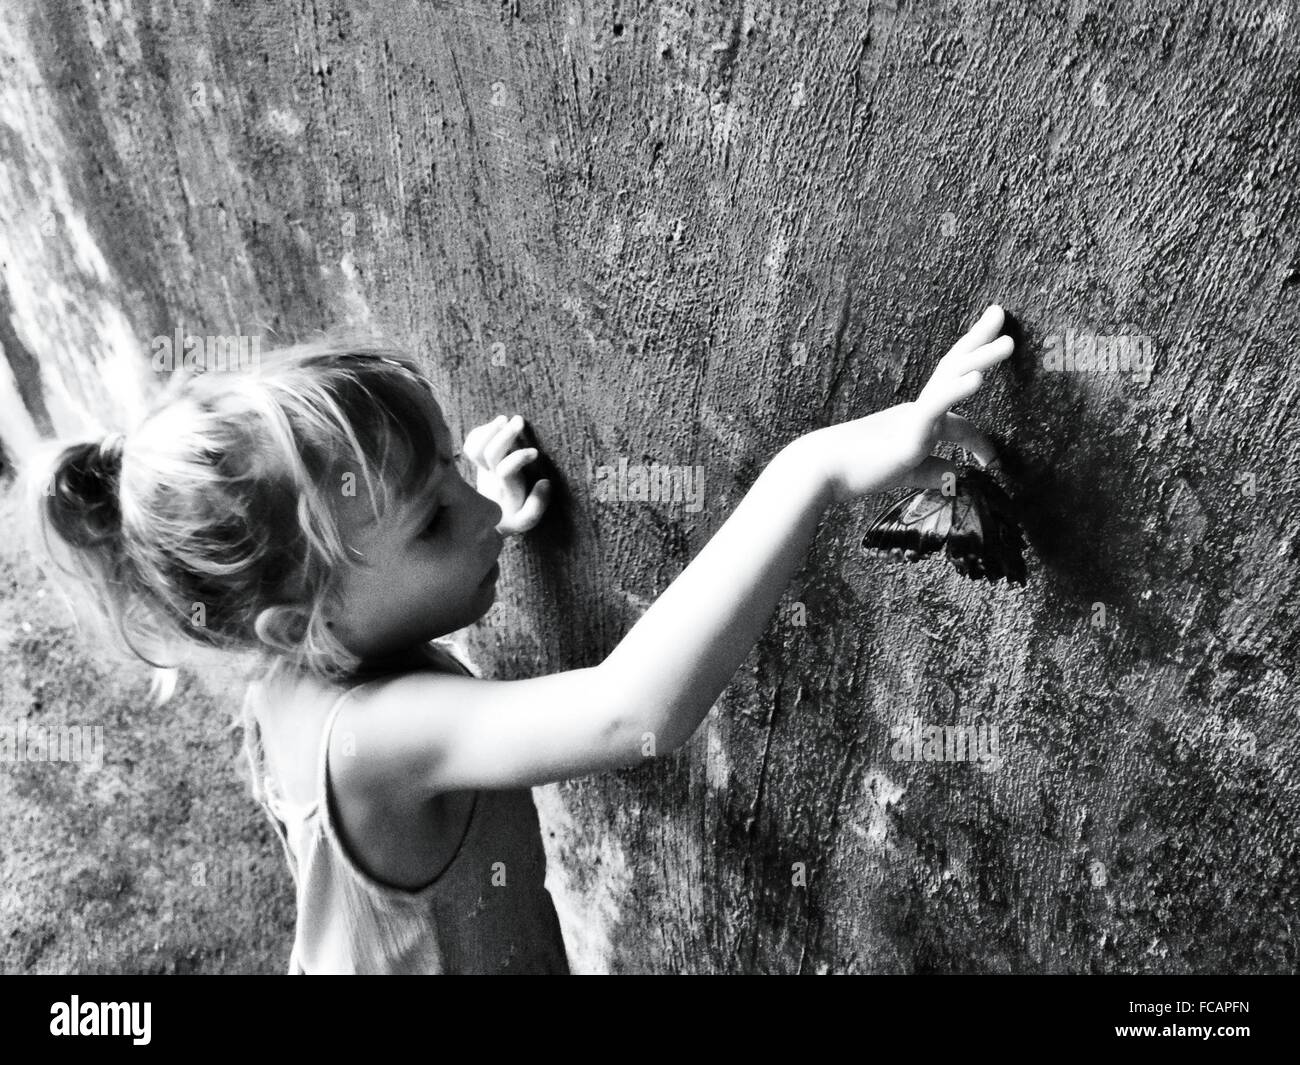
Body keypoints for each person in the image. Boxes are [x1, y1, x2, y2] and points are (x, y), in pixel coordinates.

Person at [24, 305, 1014, 973]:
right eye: (434, 521)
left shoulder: (282, 661)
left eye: (452, 466)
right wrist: (811, 470)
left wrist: (451, 515)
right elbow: (634, 712)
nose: (483, 510)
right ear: (307, 624)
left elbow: (384, 617)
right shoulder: (383, 743)